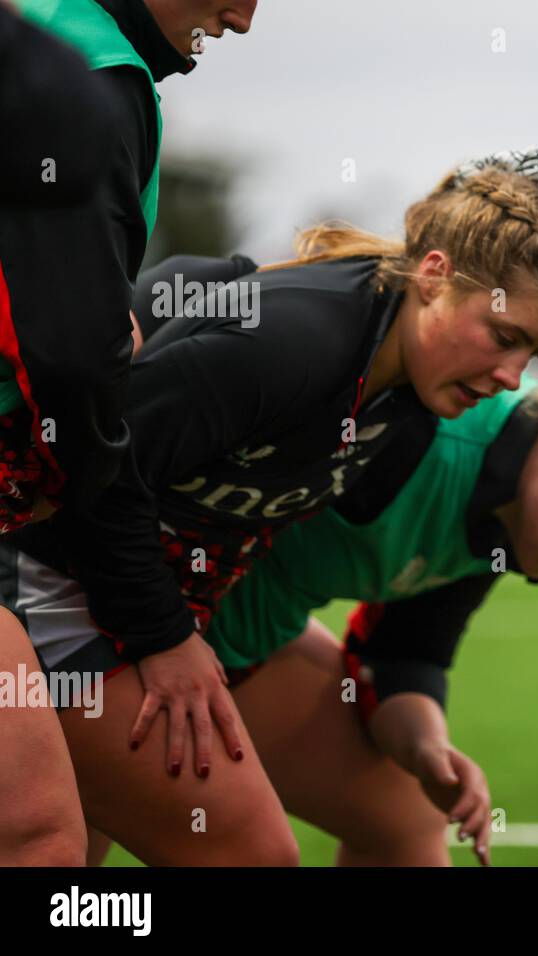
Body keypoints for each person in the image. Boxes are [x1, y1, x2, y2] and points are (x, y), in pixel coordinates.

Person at [1, 153, 538, 865]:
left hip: (125, 600)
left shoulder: (409, 394)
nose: (512, 376)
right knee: (96, 852)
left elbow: (404, 643)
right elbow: (94, 468)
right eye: (505, 337)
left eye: (534, 351)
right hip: (47, 579)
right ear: (434, 274)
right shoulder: (301, 341)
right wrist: (162, 638)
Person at [79, 346, 538, 867]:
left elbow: (401, 654)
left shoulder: (508, 514)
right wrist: (155, 628)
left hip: (239, 646)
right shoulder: (420, 431)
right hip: (121, 627)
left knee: (408, 825)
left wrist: (429, 749)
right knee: (91, 848)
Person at [0, 0, 255, 866]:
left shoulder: (52, 34)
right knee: (38, 837)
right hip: (35, 546)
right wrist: (155, 629)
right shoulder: (94, 77)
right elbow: (76, 374)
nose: (245, 19)